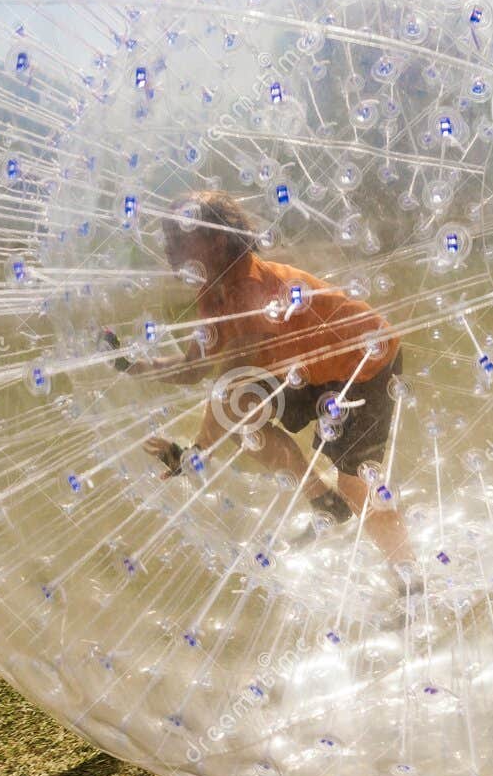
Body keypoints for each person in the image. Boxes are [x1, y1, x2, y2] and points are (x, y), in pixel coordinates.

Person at [134, 190, 414, 570]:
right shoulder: (213, 292)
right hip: (306, 368)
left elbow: (229, 384)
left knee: (355, 484)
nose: (171, 248)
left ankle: (410, 583)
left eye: (181, 236)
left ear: (218, 239)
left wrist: (195, 452)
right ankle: (323, 503)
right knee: (241, 416)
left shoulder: (251, 290)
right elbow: (193, 368)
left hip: (362, 362)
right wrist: (132, 364)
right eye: (168, 236)